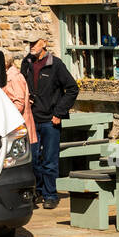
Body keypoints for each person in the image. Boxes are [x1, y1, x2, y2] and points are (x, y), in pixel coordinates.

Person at [21, 36, 78, 211]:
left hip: (50, 120)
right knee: (32, 158)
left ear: (44, 43)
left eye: (34, 43)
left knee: (50, 160)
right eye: (29, 43)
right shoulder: (27, 63)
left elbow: (72, 89)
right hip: (31, 119)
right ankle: (37, 191)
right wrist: (27, 98)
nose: (31, 47)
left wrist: (59, 113)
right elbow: (22, 85)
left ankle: (50, 195)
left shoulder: (56, 64)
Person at [2, 55, 38, 202]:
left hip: (19, 128)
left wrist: (2, 111)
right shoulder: (9, 76)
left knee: (21, 165)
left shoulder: (14, 77)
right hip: (15, 130)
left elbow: (19, 104)